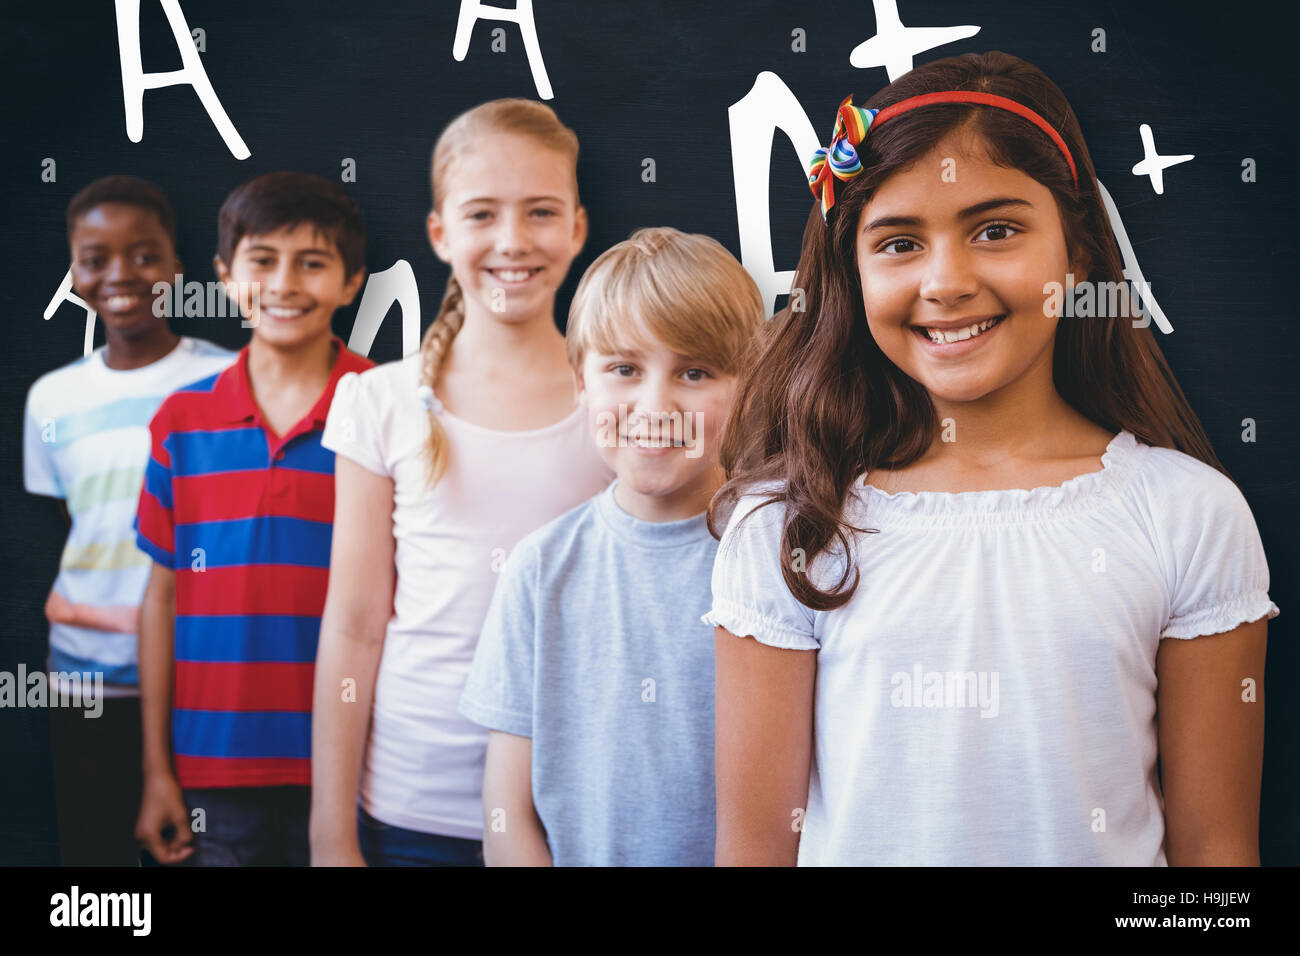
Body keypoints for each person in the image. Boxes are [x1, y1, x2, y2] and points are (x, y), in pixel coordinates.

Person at [705, 50, 1280, 866]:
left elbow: (1216, 855)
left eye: (996, 230)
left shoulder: (1188, 514)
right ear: (852, 271)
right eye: (900, 243)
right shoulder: (789, 528)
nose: (946, 281)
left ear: (1077, 253)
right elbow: (757, 851)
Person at [310, 99, 614, 867]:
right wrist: (330, 833)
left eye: (540, 212)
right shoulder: (378, 401)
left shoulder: (620, 405)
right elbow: (353, 625)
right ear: (441, 233)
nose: (512, 241)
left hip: (575, 803)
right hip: (413, 806)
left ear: (577, 228)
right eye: (482, 215)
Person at [459, 227, 765, 865]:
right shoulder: (540, 569)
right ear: (581, 382)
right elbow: (505, 811)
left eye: (695, 371)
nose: (656, 405)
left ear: (748, 386)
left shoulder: (780, 558)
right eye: (624, 369)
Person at [133, 172, 373, 866]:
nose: (284, 282)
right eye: (262, 260)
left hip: (354, 763)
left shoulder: (383, 409)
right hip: (214, 767)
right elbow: (161, 597)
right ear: (224, 274)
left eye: (313, 262)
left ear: (352, 281)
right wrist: (157, 772)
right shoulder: (183, 420)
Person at [22, 175, 234, 865]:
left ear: (177, 266)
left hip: (203, 673)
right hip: (86, 679)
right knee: (96, 861)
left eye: (145, 255)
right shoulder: (52, 398)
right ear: (75, 272)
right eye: (96, 257)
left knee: (204, 849)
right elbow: (75, 519)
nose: (121, 275)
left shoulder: (228, 379)